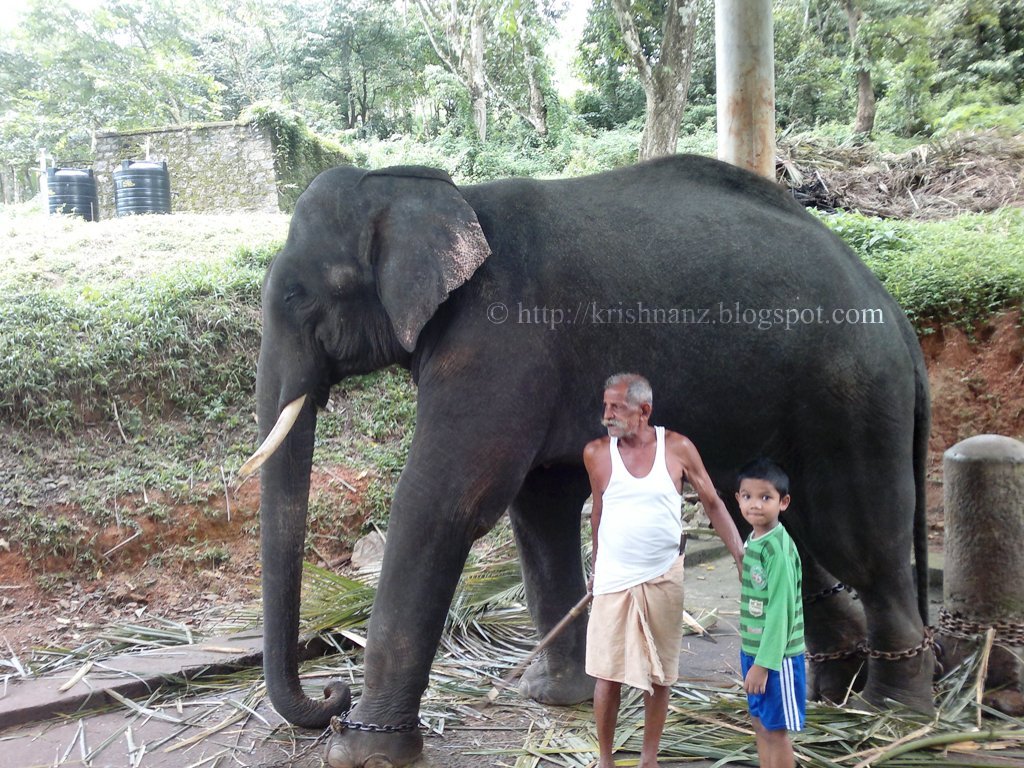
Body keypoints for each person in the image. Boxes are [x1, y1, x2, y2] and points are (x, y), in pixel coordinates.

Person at [583, 372, 745, 768]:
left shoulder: (677, 448)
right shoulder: (596, 453)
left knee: (660, 673)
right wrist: (596, 565)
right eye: (605, 406)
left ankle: (648, 758)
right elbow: (599, 513)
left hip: (662, 576)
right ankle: (605, 759)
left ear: (644, 410)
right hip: (614, 579)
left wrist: (740, 555)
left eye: (616, 407)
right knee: (607, 675)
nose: (607, 414)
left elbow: (712, 502)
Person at [735, 458, 806, 768]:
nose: (755, 505)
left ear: (783, 502)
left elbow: (780, 610)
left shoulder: (777, 549)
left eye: (766, 497)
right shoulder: (755, 540)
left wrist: (764, 665)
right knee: (760, 725)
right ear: (737, 499)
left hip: (778, 659)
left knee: (776, 731)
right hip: (753, 652)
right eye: (748, 496)